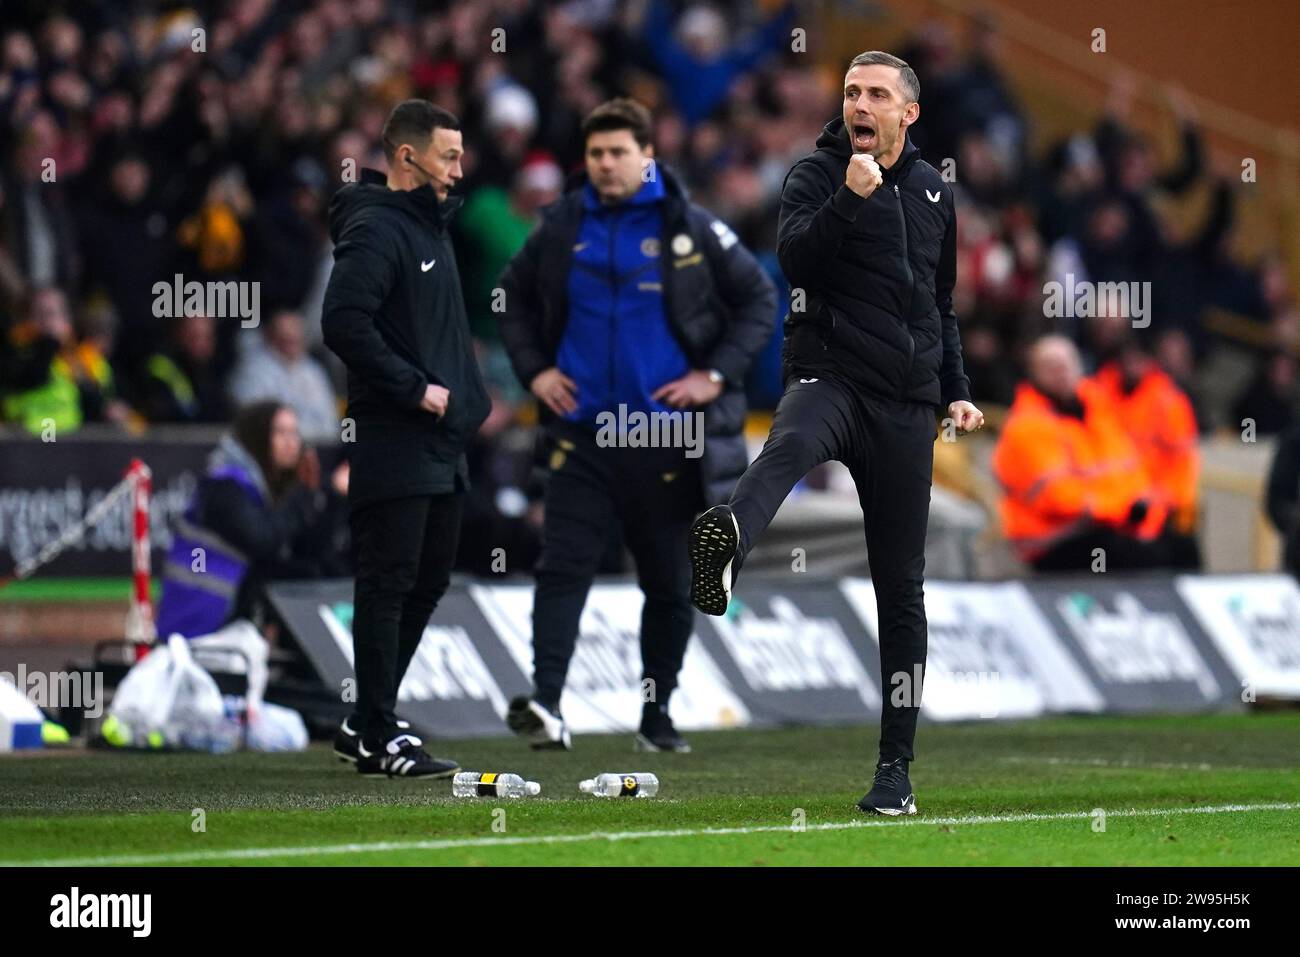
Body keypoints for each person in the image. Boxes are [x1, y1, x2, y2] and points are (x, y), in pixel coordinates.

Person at [686, 52, 984, 815]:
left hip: (909, 407)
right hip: (832, 376)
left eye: (877, 93)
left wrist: (956, 390)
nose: (860, 102)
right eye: (851, 90)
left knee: (900, 588)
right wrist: (849, 200)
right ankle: (727, 544)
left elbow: (940, 303)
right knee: (787, 444)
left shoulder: (930, 189)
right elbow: (795, 261)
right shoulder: (816, 174)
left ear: (907, 113)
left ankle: (896, 769)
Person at [498, 98, 775, 752]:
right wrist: (535, 370)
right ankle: (546, 703)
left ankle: (656, 714)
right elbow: (507, 300)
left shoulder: (692, 227)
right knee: (562, 566)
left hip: (667, 439)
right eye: (595, 154)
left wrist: (714, 374)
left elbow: (759, 301)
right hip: (583, 433)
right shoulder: (563, 226)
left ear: (648, 155)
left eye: (618, 152)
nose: (605, 164)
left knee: (669, 582)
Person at [321, 100, 490, 779]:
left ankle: (368, 717)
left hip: (442, 441)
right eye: (449, 155)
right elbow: (342, 321)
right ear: (407, 157)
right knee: (389, 580)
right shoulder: (376, 226)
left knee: (427, 579)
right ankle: (378, 731)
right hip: (395, 435)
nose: (460, 167)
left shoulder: (430, 226)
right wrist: (413, 386)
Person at [155, 401, 347, 640]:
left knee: (316, 573)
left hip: (225, 614)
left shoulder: (269, 487)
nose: (290, 442)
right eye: (279, 432)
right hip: (195, 618)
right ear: (257, 435)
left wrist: (333, 497)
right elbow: (264, 540)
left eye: (294, 433)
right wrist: (306, 495)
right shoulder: (225, 483)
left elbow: (309, 552)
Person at [992, 335, 1171, 571]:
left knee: (1175, 542)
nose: (1062, 372)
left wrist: (1140, 513)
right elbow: (1059, 497)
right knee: (1130, 554)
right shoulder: (1026, 425)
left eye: (1067, 364)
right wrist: (1120, 510)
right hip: (1053, 540)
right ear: (1033, 374)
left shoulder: (1099, 412)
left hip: (1103, 527)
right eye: (1051, 367)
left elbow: (1132, 474)